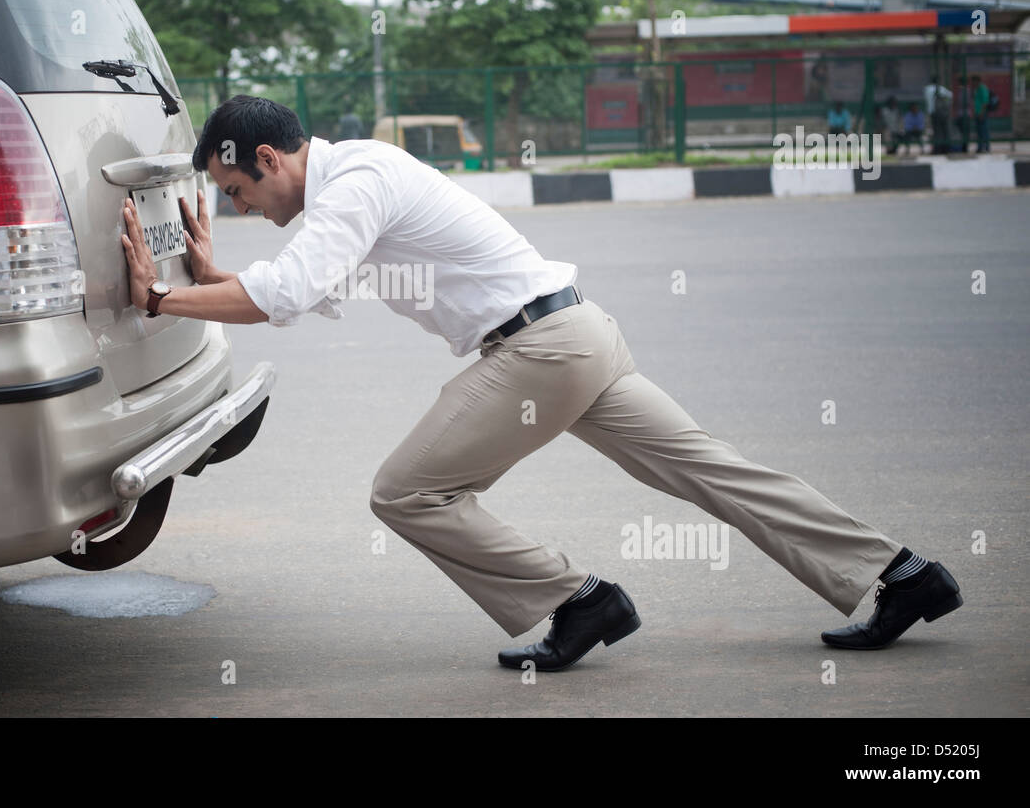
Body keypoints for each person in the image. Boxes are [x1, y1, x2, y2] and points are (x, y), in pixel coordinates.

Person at [119, 95, 964, 670]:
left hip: (540, 351)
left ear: (268, 157)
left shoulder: (356, 184)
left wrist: (159, 297)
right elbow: (307, 288)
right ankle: (905, 573)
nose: (240, 205)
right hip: (575, 334)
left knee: (406, 493)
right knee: (715, 470)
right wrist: (210, 277)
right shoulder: (355, 181)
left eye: (236, 190)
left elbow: (287, 292)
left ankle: (582, 600)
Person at [924, 75, 953, 154]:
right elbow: (950, 95)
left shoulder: (927, 89)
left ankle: (937, 148)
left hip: (932, 112)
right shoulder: (940, 88)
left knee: (936, 131)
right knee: (943, 131)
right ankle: (943, 148)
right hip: (940, 113)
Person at [970, 75, 991, 153]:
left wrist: (982, 113)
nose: (972, 83)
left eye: (973, 81)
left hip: (982, 113)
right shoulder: (976, 89)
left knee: (984, 130)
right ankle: (980, 147)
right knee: (979, 131)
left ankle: (986, 147)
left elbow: (985, 102)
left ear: (977, 81)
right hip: (977, 113)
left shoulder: (982, 88)